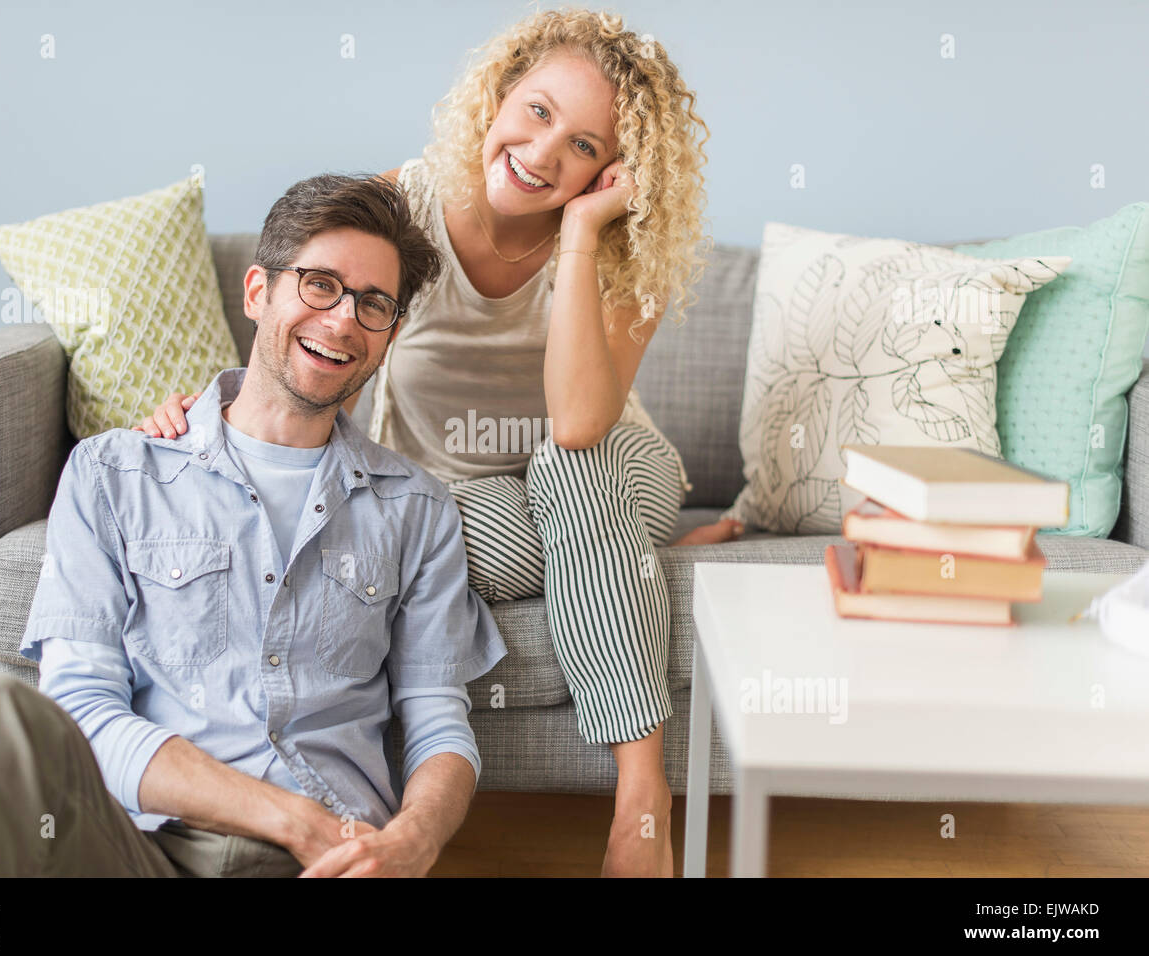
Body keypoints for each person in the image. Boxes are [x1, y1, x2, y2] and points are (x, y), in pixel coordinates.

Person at [137, 8, 740, 877]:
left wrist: (578, 237)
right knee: (452, 536)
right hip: (458, 497)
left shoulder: (624, 258)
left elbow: (576, 426)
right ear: (496, 96)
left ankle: (641, 799)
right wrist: (195, 417)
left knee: (570, 475)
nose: (542, 154)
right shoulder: (407, 208)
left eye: (580, 147)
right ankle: (631, 557)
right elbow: (306, 328)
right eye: (536, 112)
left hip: (614, 467)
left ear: (613, 170)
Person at [0, 173, 506, 878]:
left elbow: (437, 723)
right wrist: (286, 817)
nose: (342, 319)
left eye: (373, 304)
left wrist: (413, 839)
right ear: (256, 292)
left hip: (326, 864)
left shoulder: (416, 509)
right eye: (320, 284)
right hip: (142, 852)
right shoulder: (114, 474)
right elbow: (82, 709)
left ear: (389, 335)